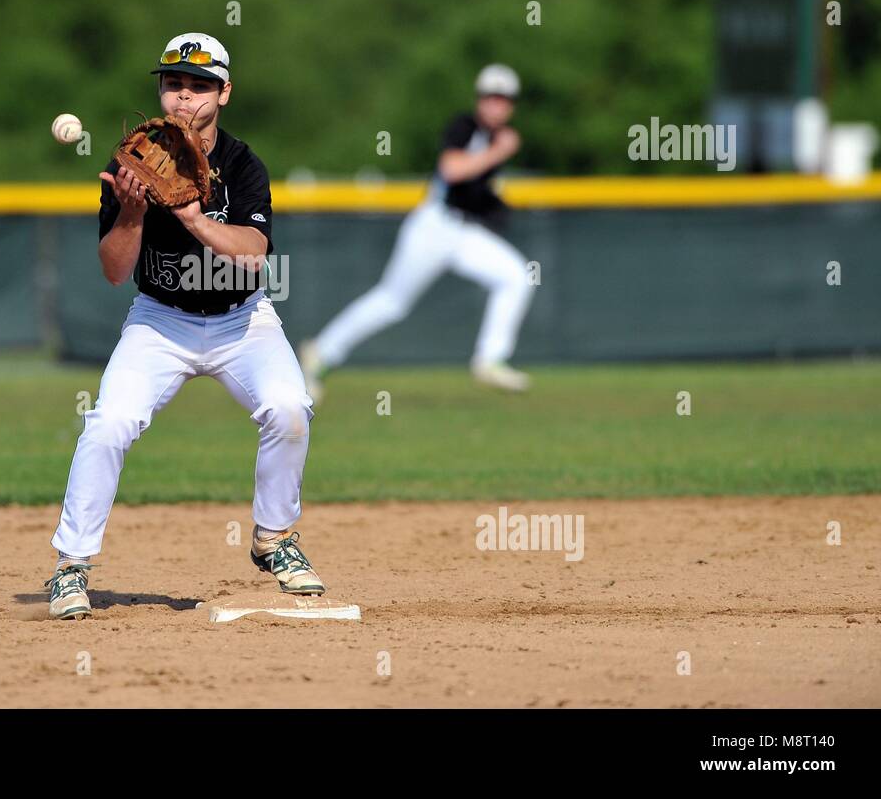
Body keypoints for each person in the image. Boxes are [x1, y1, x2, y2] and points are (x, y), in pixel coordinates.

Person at [44, 32, 326, 620]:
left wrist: (192, 218)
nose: (183, 98)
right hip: (160, 321)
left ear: (224, 93)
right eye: (173, 84)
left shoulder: (244, 164)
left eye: (199, 86)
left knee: (289, 409)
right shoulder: (132, 161)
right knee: (109, 422)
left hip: (242, 321)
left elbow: (252, 254)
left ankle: (275, 539)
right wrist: (130, 213)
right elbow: (116, 273)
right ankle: (71, 568)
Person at [301, 64, 534, 396]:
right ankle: (321, 353)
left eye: (505, 99)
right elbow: (451, 170)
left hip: (464, 233)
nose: (497, 105)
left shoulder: (498, 138)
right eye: (492, 97)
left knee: (516, 276)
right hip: (434, 226)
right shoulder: (465, 125)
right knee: (392, 301)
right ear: (480, 99)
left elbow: (474, 188)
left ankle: (491, 360)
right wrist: (498, 152)